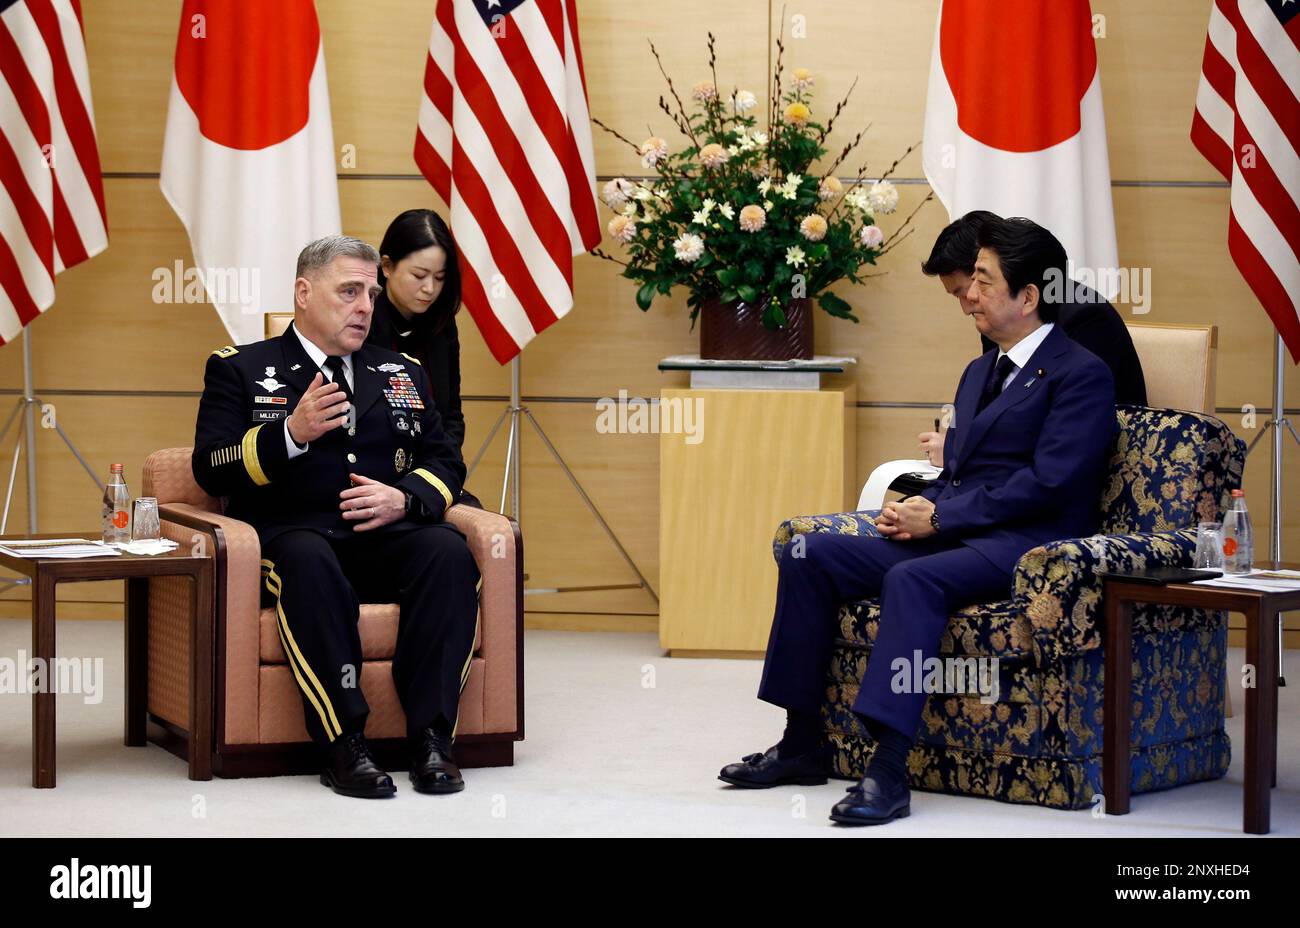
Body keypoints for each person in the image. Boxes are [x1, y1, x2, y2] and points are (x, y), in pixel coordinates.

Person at [719, 217, 1118, 825]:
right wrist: (914, 507)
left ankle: (888, 770)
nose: (969, 297)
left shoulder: (1081, 372)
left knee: (911, 580)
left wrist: (943, 516)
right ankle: (802, 742)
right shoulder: (981, 369)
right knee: (809, 551)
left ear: (1029, 296)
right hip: (960, 532)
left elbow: (1049, 483)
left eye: (982, 282)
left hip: (1028, 546)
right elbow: (963, 467)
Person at [193, 235, 480, 799]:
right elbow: (210, 467)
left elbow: (445, 459)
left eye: (371, 294)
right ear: (303, 293)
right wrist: (289, 435)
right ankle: (344, 742)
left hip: (384, 538)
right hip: (294, 538)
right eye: (349, 291)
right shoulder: (243, 369)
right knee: (308, 558)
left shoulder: (400, 370)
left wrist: (406, 498)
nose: (365, 307)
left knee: (447, 551)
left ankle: (430, 739)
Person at [914, 210, 1145, 466]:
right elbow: (992, 409)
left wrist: (957, 453)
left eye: (966, 289)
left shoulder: (1086, 319)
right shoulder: (1001, 322)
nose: (967, 305)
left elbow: (1058, 435)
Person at [367, 209, 481, 508]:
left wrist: (440, 474)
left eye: (439, 278)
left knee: (475, 524)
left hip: (429, 475)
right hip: (371, 473)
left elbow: (451, 416)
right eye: (419, 276)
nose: (430, 289)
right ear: (387, 266)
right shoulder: (359, 319)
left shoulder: (442, 324)